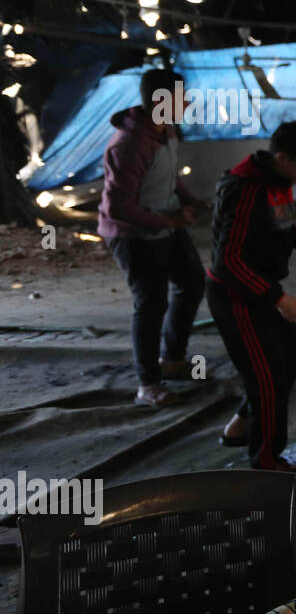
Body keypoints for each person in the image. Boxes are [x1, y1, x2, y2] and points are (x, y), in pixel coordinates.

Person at [206, 121, 296, 479]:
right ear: (281, 158)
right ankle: (268, 465)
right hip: (237, 297)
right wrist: (278, 298)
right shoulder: (247, 188)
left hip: (260, 288)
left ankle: (243, 422)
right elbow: (228, 260)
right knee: (267, 380)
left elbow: (280, 223)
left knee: (290, 354)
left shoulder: (277, 182)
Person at [98, 68, 208, 408]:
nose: (188, 102)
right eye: (181, 97)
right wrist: (170, 218)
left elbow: (169, 176)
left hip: (165, 224)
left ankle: (172, 360)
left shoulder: (165, 131)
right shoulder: (130, 145)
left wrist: (187, 200)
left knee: (191, 282)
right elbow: (118, 207)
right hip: (134, 236)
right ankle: (148, 384)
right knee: (150, 304)